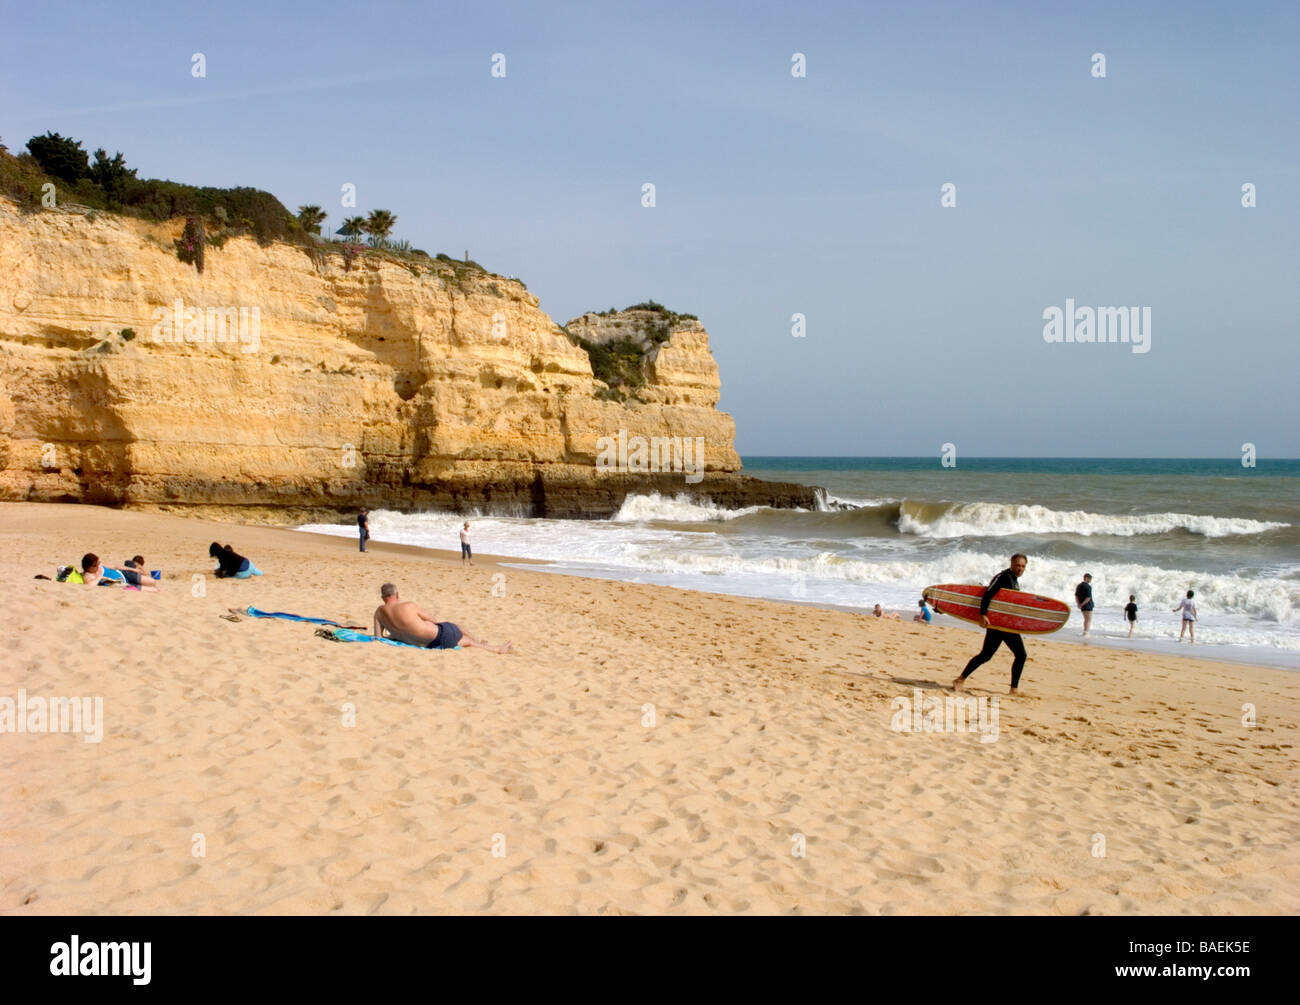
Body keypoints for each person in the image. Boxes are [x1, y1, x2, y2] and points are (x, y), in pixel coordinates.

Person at [953, 553, 1029, 695]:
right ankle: (1013, 689)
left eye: (1023, 566)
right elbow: (988, 594)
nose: (1020, 568)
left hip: (1005, 624)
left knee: (987, 655)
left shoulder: (1014, 580)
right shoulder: (1003, 577)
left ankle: (961, 679)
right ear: (1011, 564)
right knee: (1019, 655)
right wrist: (983, 614)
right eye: (1018, 565)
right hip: (997, 624)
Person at [373, 582, 512, 653]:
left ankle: (484, 645)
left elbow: (378, 638)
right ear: (397, 595)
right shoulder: (409, 606)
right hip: (439, 637)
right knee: (458, 630)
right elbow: (433, 621)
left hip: (425, 644)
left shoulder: (378, 613)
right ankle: (496, 649)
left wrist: (396, 635)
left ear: (382, 597)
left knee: (464, 639)